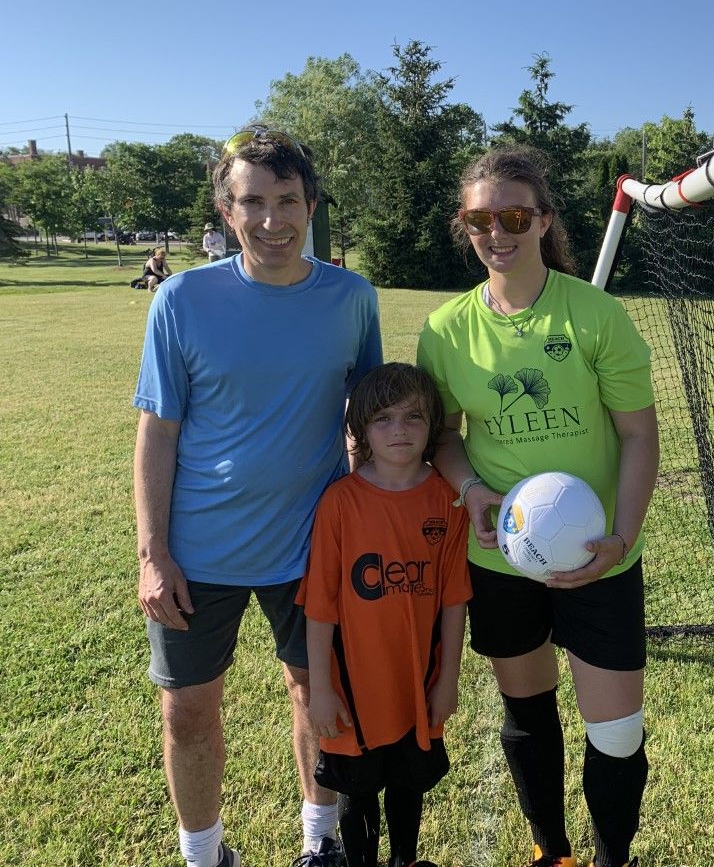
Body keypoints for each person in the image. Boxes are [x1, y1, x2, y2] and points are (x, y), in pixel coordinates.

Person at [133, 124, 383, 867]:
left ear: (311, 206)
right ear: (226, 211)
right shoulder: (181, 299)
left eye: (287, 200)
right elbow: (158, 433)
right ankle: (204, 855)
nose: (272, 220)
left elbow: (367, 416)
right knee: (188, 710)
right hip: (197, 552)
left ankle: (320, 841)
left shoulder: (352, 298)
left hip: (311, 544)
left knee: (315, 692)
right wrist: (153, 555)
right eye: (252, 203)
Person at [416, 145, 659, 867]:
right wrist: (471, 491)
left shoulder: (595, 314)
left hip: (601, 556)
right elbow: (443, 437)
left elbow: (638, 435)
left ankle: (614, 858)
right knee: (527, 714)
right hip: (501, 559)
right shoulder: (445, 330)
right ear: (465, 225)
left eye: (515, 217)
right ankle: (552, 852)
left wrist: (621, 537)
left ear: (544, 221)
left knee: (617, 733)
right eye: (480, 219)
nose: (498, 232)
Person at [299, 362, 471, 867]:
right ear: (361, 429)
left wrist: (447, 680)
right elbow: (320, 606)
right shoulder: (340, 503)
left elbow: (454, 600)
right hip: (354, 685)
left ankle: (405, 860)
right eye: (384, 419)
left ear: (433, 423)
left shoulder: (447, 501)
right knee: (357, 785)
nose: (400, 430)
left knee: (407, 779)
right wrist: (321, 688)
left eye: (414, 417)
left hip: (417, 678)